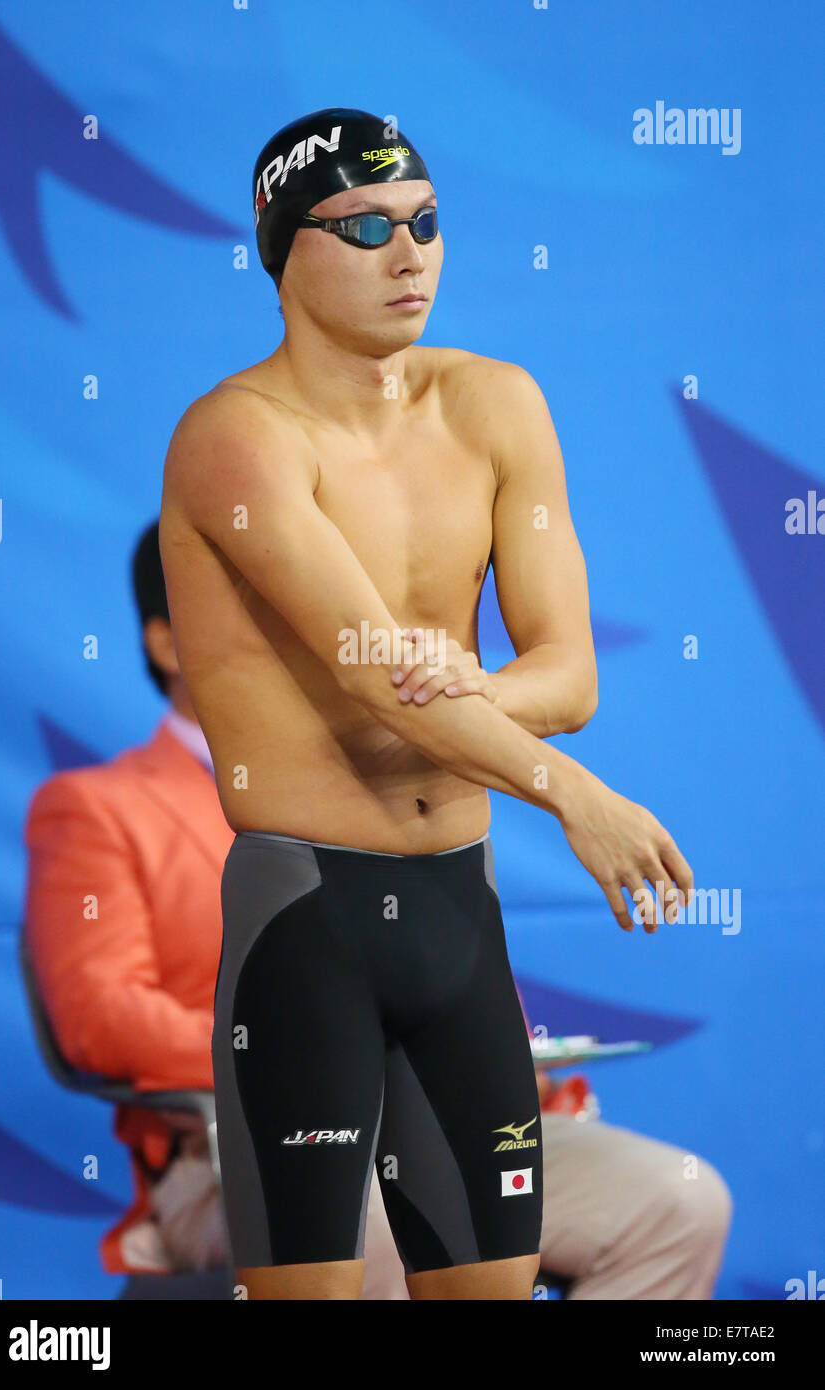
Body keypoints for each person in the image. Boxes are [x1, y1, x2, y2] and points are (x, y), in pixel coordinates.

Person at [158, 107, 696, 1301]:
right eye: (362, 228)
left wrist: (474, 684)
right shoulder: (234, 440)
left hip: (458, 910)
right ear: (281, 250)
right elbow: (366, 675)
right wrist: (573, 797)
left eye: (426, 224)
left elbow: (569, 674)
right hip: (307, 925)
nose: (410, 257)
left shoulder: (497, 405)